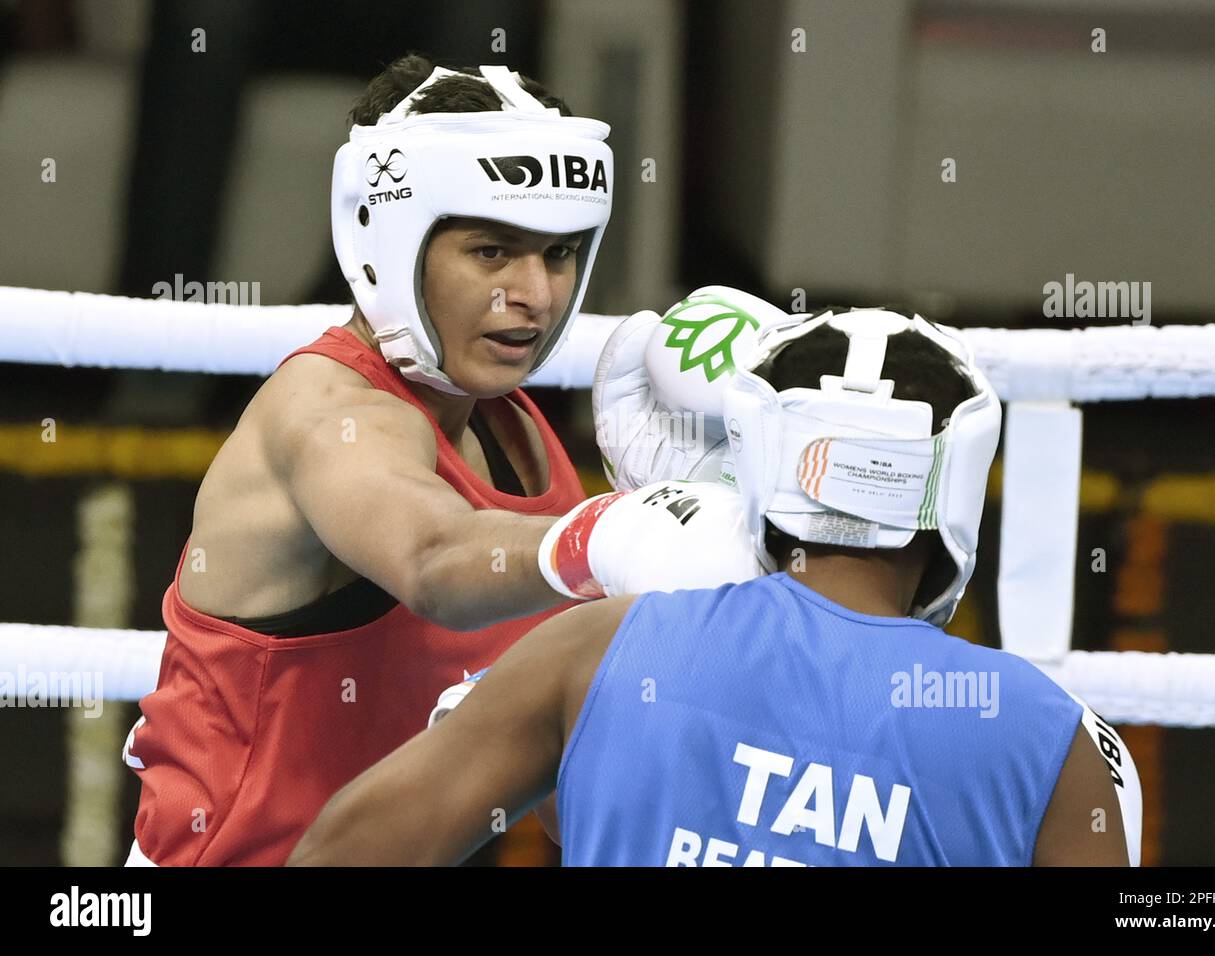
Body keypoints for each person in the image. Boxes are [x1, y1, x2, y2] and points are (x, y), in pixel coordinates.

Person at [121, 56, 761, 866]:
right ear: (387, 240)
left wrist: (684, 573)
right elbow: (432, 560)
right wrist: (616, 533)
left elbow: (567, 794)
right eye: (492, 252)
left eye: (560, 252)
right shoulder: (326, 413)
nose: (534, 293)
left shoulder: (519, 438)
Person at [289, 306, 1140, 867]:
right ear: (953, 484)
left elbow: (340, 855)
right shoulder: (1043, 736)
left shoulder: (602, 650)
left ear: (760, 454)